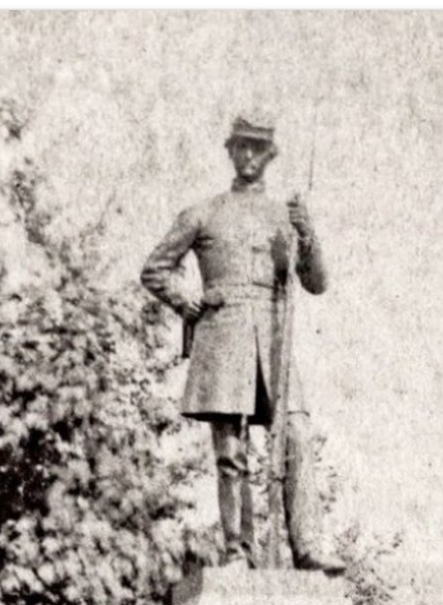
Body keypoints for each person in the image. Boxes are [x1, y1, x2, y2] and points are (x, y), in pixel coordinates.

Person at [142, 112, 341, 570]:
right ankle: (238, 551)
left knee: (297, 436)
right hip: (223, 340)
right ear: (230, 151)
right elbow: (155, 268)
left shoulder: (285, 217)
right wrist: (186, 303)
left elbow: (317, 283)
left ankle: (308, 547)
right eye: (241, 146)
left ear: (269, 156)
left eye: (257, 147)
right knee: (231, 453)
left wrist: (307, 234)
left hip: (274, 342)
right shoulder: (203, 212)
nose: (249, 155)